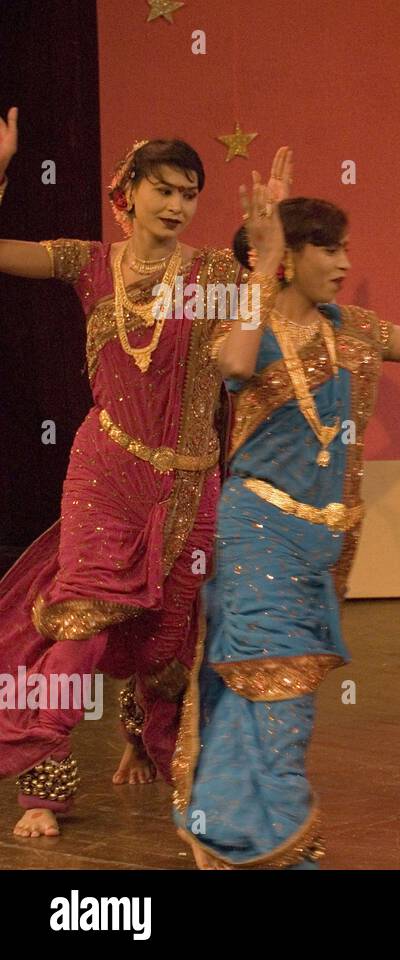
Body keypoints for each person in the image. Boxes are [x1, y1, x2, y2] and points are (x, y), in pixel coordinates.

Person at [0, 111, 287, 837]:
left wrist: (267, 261)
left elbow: (246, 353)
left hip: (191, 483)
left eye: (189, 193)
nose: (177, 205)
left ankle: (155, 747)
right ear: (127, 191)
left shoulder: (214, 276)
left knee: (165, 642)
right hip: (106, 471)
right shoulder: (89, 263)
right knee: (82, 618)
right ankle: (43, 784)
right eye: (163, 189)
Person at [173, 186, 400, 868]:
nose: (343, 263)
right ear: (289, 257)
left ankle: (229, 826)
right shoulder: (247, 328)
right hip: (257, 531)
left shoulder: (356, 330)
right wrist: (261, 267)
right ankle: (278, 844)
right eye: (328, 250)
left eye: (345, 250)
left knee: (276, 687)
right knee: (277, 687)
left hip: (325, 544)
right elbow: (234, 366)